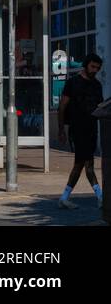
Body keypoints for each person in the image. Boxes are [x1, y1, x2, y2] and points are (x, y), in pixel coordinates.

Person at [57, 54, 104, 210]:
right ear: (85, 65)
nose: (95, 70)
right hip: (77, 128)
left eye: (97, 68)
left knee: (81, 164)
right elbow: (62, 106)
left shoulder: (97, 85)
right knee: (86, 163)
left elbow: (100, 107)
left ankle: (64, 198)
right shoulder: (73, 82)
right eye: (92, 67)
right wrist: (61, 129)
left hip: (91, 128)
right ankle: (101, 197)